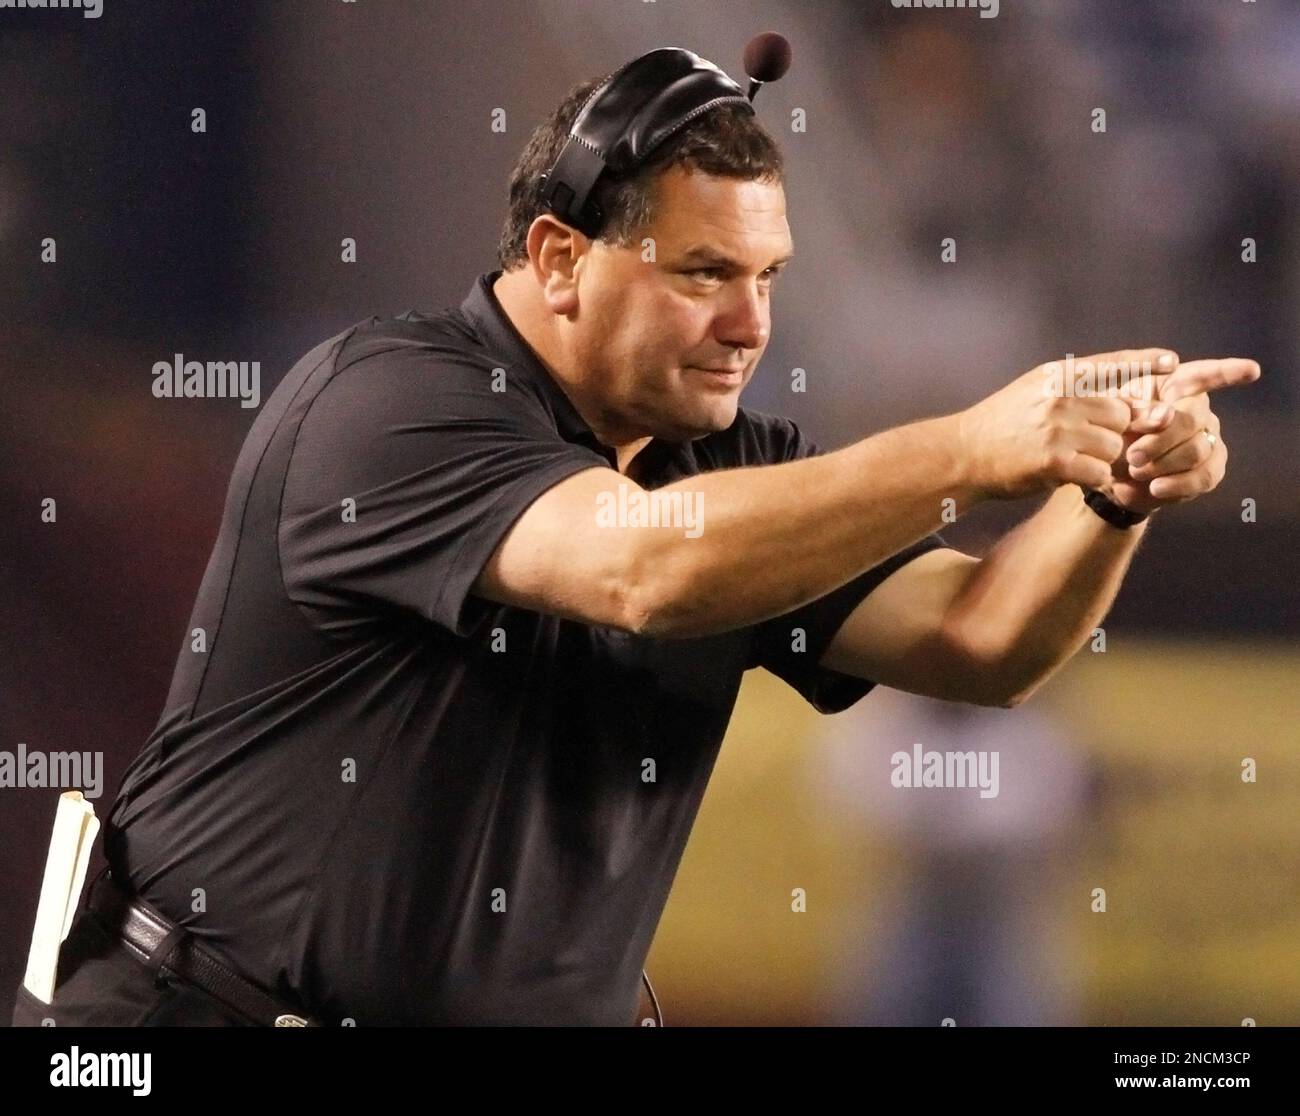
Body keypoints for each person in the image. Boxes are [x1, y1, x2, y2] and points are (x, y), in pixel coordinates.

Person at [12, 71, 1257, 1028]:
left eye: (768, 274)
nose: (749, 323)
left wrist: (1111, 495)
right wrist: (969, 452)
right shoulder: (385, 401)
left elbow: (985, 640)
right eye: (705, 271)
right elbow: (644, 570)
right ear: (559, 257)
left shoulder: (726, 465)